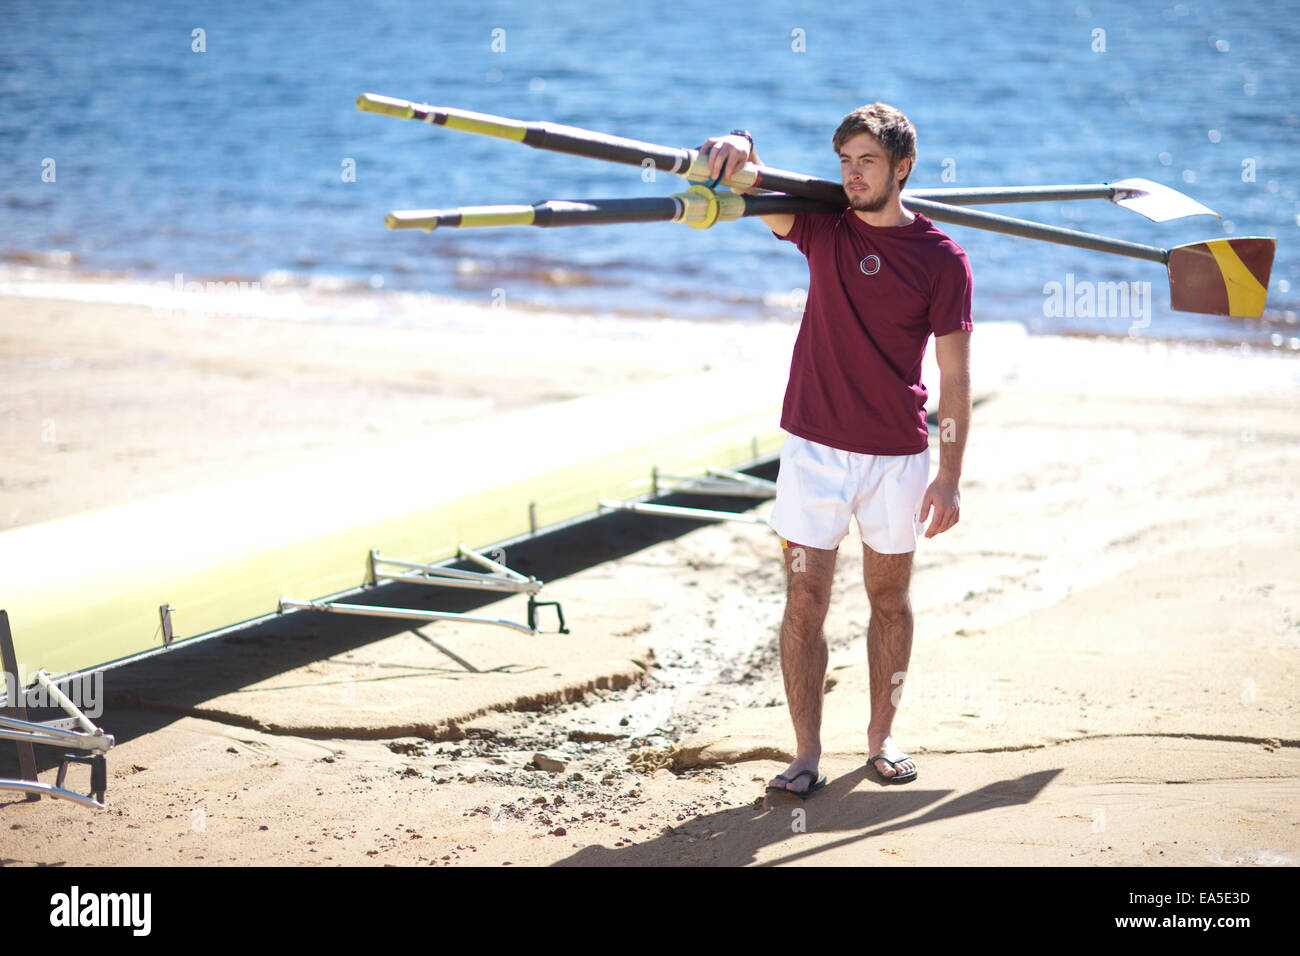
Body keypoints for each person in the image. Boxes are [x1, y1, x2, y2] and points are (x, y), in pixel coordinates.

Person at [701, 104, 973, 796]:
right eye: (845, 162)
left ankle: (882, 739)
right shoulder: (821, 228)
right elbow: (742, 188)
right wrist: (738, 143)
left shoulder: (943, 261)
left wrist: (949, 476)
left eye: (867, 162)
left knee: (889, 598)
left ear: (903, 168)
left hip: (897, 458)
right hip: (814, 451)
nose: (852, 176)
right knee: (804, 596)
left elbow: (955, 376)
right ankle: (806, 753)